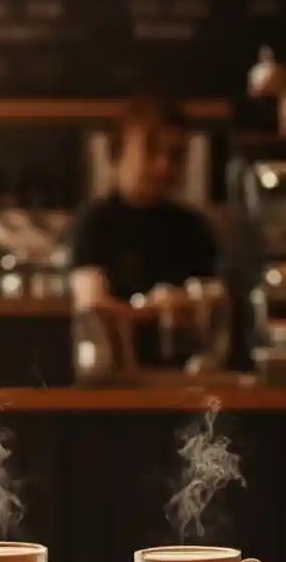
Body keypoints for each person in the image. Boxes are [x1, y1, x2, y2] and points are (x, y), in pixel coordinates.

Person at [68, 94, 219, 373]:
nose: (163, 166)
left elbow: (216, 304)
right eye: (150, 150)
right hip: (115, 376)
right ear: (117, 154)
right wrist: (153, 310)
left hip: (185, 375)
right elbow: (91, 306)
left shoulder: (194, 226)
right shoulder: (94, 222)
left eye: (175, 156)